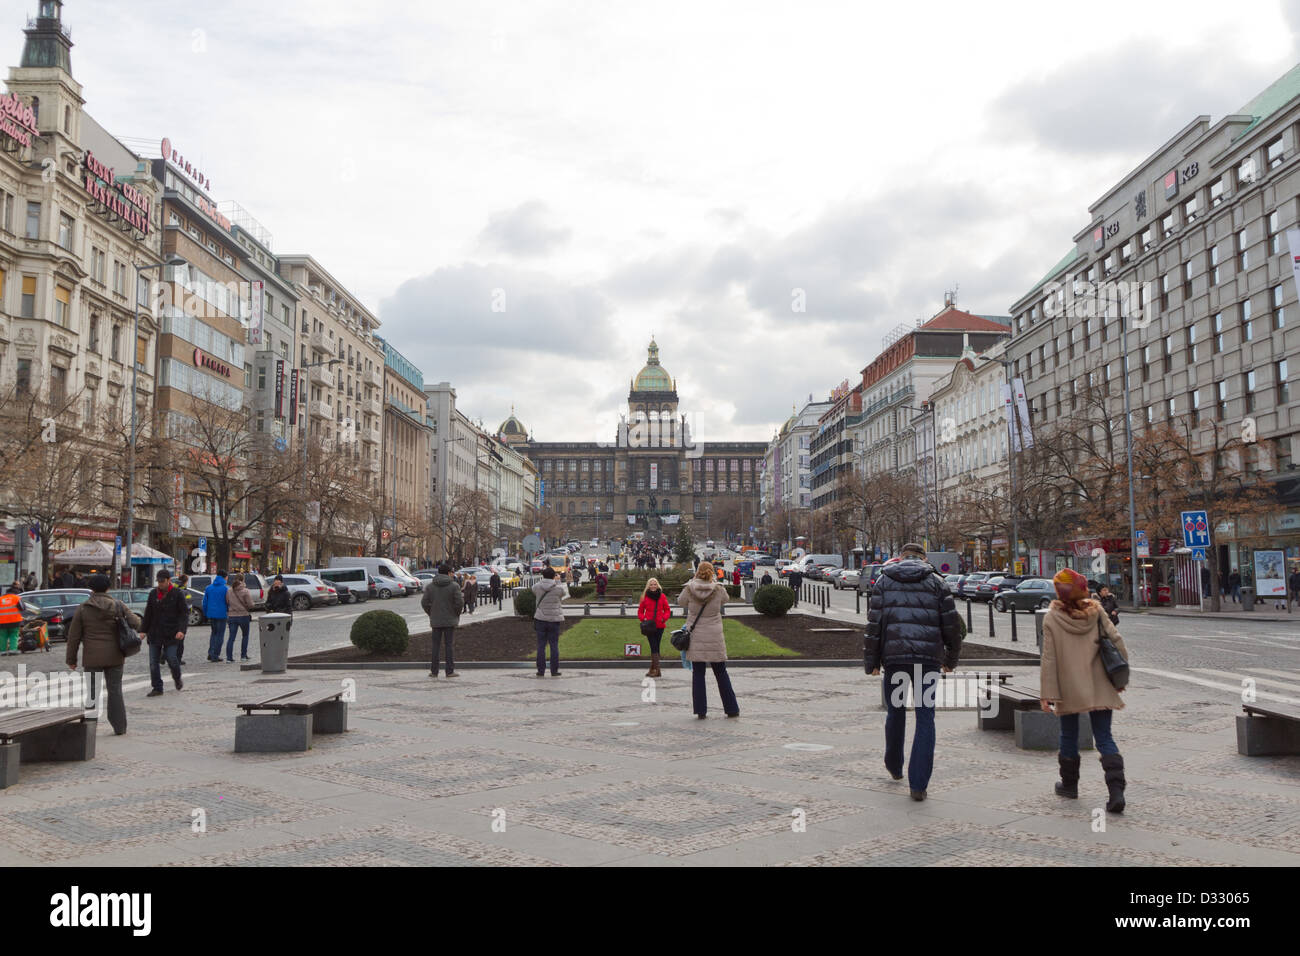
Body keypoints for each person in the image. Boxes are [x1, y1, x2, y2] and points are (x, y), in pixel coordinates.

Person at [865, 543, 962, 802]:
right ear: (924, 558)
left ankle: (894, 765)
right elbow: (952, 626)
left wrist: (872, 662)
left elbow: (874, 625)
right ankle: (918, 784)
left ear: (901, 558)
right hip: (928, 659)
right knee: (925, 717)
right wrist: (951, 659)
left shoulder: (884, 582)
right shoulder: (937, 583)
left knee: (896, 711)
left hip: (894, 658)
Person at [1040, 567, 1130, 814]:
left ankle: (1069, 785)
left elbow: (1049, 658)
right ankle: (1116, 791)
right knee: (1104, 737)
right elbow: (1117, 641)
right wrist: (1120, 677)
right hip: (1100, 682)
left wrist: (1047, 693)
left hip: (1069, 686)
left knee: (1068, 736)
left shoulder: (1051, 618)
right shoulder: (1097, 610)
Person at [65, 573, 140, 736]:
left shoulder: (83, 608)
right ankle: (119, 727)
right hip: (115, 656)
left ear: (91, 588)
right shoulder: (118, 605)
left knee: (92, 692)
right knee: (115, 691)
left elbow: (74, 636)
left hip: (92, 657)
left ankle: (90, 728)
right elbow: (136, 622)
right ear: (108, 587)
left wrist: (71, 659)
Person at [677, 562, 738, 718]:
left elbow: (680, 602)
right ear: (712, 572)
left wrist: (693, 581)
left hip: (696, 634)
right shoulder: (718, 589)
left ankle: (701, 710)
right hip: (714, 634)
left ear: (697, 572)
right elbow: (726, 600)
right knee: (721, 672)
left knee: (698, 674)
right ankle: (731, 708)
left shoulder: (689, 588)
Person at [141, 568, 187, 697]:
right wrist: (143, 630)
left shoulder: (177, 594)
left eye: (162, 581)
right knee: (153, 663)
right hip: (155, 633)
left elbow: (184, 614)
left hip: (171, 633)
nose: (160, 584)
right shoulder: (153, 594)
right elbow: (148, 613)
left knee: (172, 658)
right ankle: (157, 687)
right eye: (158, 581)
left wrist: (181, 630)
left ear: (168, 581)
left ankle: (177, 678)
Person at [421, 562, 465, 678]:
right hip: (450, 620)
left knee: (435, 646)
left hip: (435, 620)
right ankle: (449, 671)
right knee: (449, 646)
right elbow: (459, 603)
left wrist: (431, 613)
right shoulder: (454, 586)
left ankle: (434, 671)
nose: (452, 575)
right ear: (448, 573)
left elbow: (424, 602)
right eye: (452, 572)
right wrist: (456, 613)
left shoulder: (430, 586)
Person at [532, 565, 565, 677]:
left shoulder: (537, 587)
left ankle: (540, 670)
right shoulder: (558, 588)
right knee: (554, 645)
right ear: (553, 576)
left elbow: (533, 591)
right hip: (554, 619)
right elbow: (564, 594)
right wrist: (558, 580)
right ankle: (554, 670)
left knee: (541, 645)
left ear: (543, 575)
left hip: (540, 618)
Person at [638, 576, 672, 678]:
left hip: (660, 625)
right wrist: (643, 619)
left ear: (657, 585)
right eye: (651, 584)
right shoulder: (645, 597)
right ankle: (657, 670)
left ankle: (654, 669)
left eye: (655, 584)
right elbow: (640, 611)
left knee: (656, 647)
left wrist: (663, 618)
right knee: (654, 646)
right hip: (649, 626)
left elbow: (667, 610)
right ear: (648, 586)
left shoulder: (662, 596)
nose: (653, 586)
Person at [224, 572, 255, 662]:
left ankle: (229, 658)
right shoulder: (245, 591)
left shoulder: (229, 591)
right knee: (245, 635)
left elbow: (227, 602)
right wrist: (252, 605)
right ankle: (243, 656)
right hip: (243, 615)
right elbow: (250, 604)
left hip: (232, 616)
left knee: (231, 637)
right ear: (243, 580)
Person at [202, 571, 229, 662]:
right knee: (220, 635)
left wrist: (205, 613)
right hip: (222, 615)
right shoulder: (225, 589)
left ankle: (211, 652)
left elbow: (204, 602)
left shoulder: (209, 588)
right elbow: (228, 602)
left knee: (214, 634)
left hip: (211, 614)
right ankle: (215, 655)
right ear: (225, 577)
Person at [0, 584, 22, 654]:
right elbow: (22, 608)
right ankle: (12, 650)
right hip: (15, 621)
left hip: (2, 622)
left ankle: (2, 651)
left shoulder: (0, 599)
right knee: (14, 635)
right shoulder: (16, 598)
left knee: (2, 636)